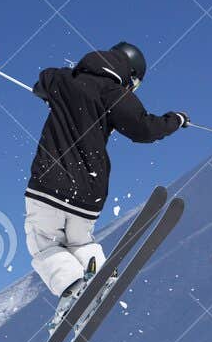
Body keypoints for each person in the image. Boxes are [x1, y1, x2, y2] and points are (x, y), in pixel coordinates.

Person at [25, 42, 188, 327]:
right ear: (130, 74)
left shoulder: (64, 80)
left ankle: (75, 289)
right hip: (88, 194)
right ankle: (99, 274)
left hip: (49, 186)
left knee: (44, 246)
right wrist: (174, 120)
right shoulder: (114, 94)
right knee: (79, 241)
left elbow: (42, 80)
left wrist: (51, 93)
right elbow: (144, 129)